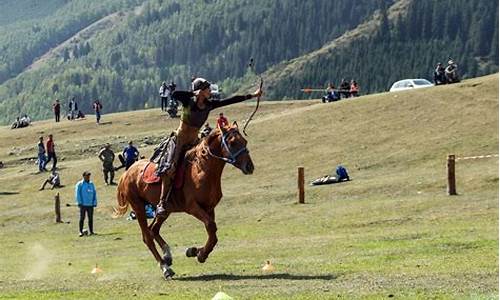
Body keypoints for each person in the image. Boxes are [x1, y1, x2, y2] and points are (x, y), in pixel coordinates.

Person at [155, 77, 262, 216]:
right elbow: (174, 94)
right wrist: (193, 93)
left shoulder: (209, 104)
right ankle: (162, 203)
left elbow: (230, 100)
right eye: (207, 89)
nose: (210, 91)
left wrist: (252, 95)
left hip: (195, 141)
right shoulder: (188, 101)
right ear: (200, 91)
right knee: (170, 168)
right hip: (179, 140)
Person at [75, 171, 97, 237]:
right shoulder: (80, 184)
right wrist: (79, 202)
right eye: (87, 176)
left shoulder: (91, 184)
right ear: (83, 176)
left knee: (90, 218)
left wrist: (94, 202)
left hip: (90, 204)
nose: (88, 177)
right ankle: (80, 231)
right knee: (82, 218)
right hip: (83, 204)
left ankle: (91, 231)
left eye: (89, 176)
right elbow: (77, 194)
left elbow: (94, 193)